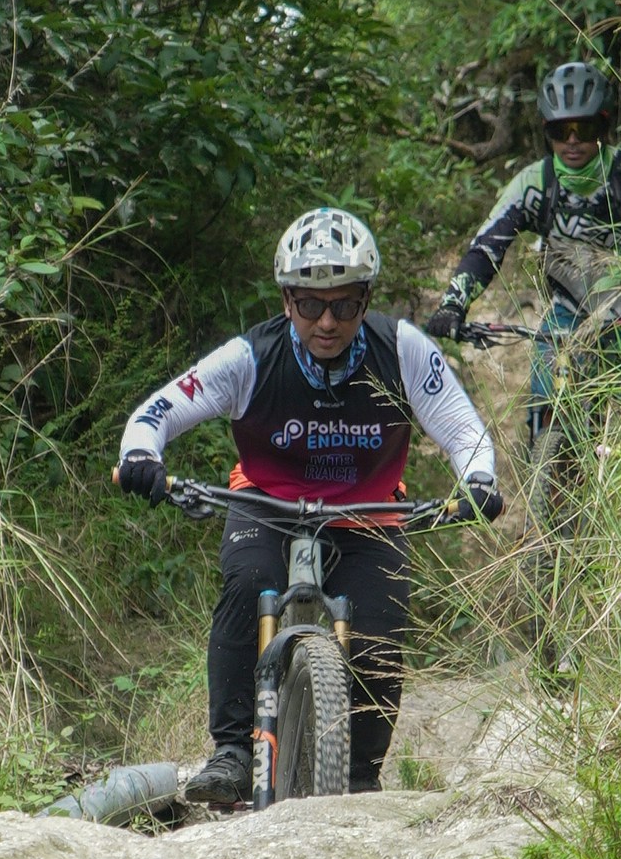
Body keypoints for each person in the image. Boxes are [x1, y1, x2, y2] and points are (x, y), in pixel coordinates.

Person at [115, 207, 503, 807]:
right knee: (248, 584)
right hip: (267, 502)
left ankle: (359, 776)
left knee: (377, 633)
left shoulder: (401, 350)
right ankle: (233, 751)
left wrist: (478, 480)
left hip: (368, 510)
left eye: (345, 306)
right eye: (310, 305)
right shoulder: (251, 357)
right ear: (287, 300)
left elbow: (462, 428)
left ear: (366, 299)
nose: (327, 321)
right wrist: (142, 455)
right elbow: (157, 413)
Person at [421, 62, 621, 455]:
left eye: (583, 129)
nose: (572, 141)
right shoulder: (535, 183)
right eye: (559, 130)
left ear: (603, 126)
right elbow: (487, 246)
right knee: (545, 394)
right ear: (545, 131)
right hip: (567, 315)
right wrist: (453, 303)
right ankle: (546, 475)